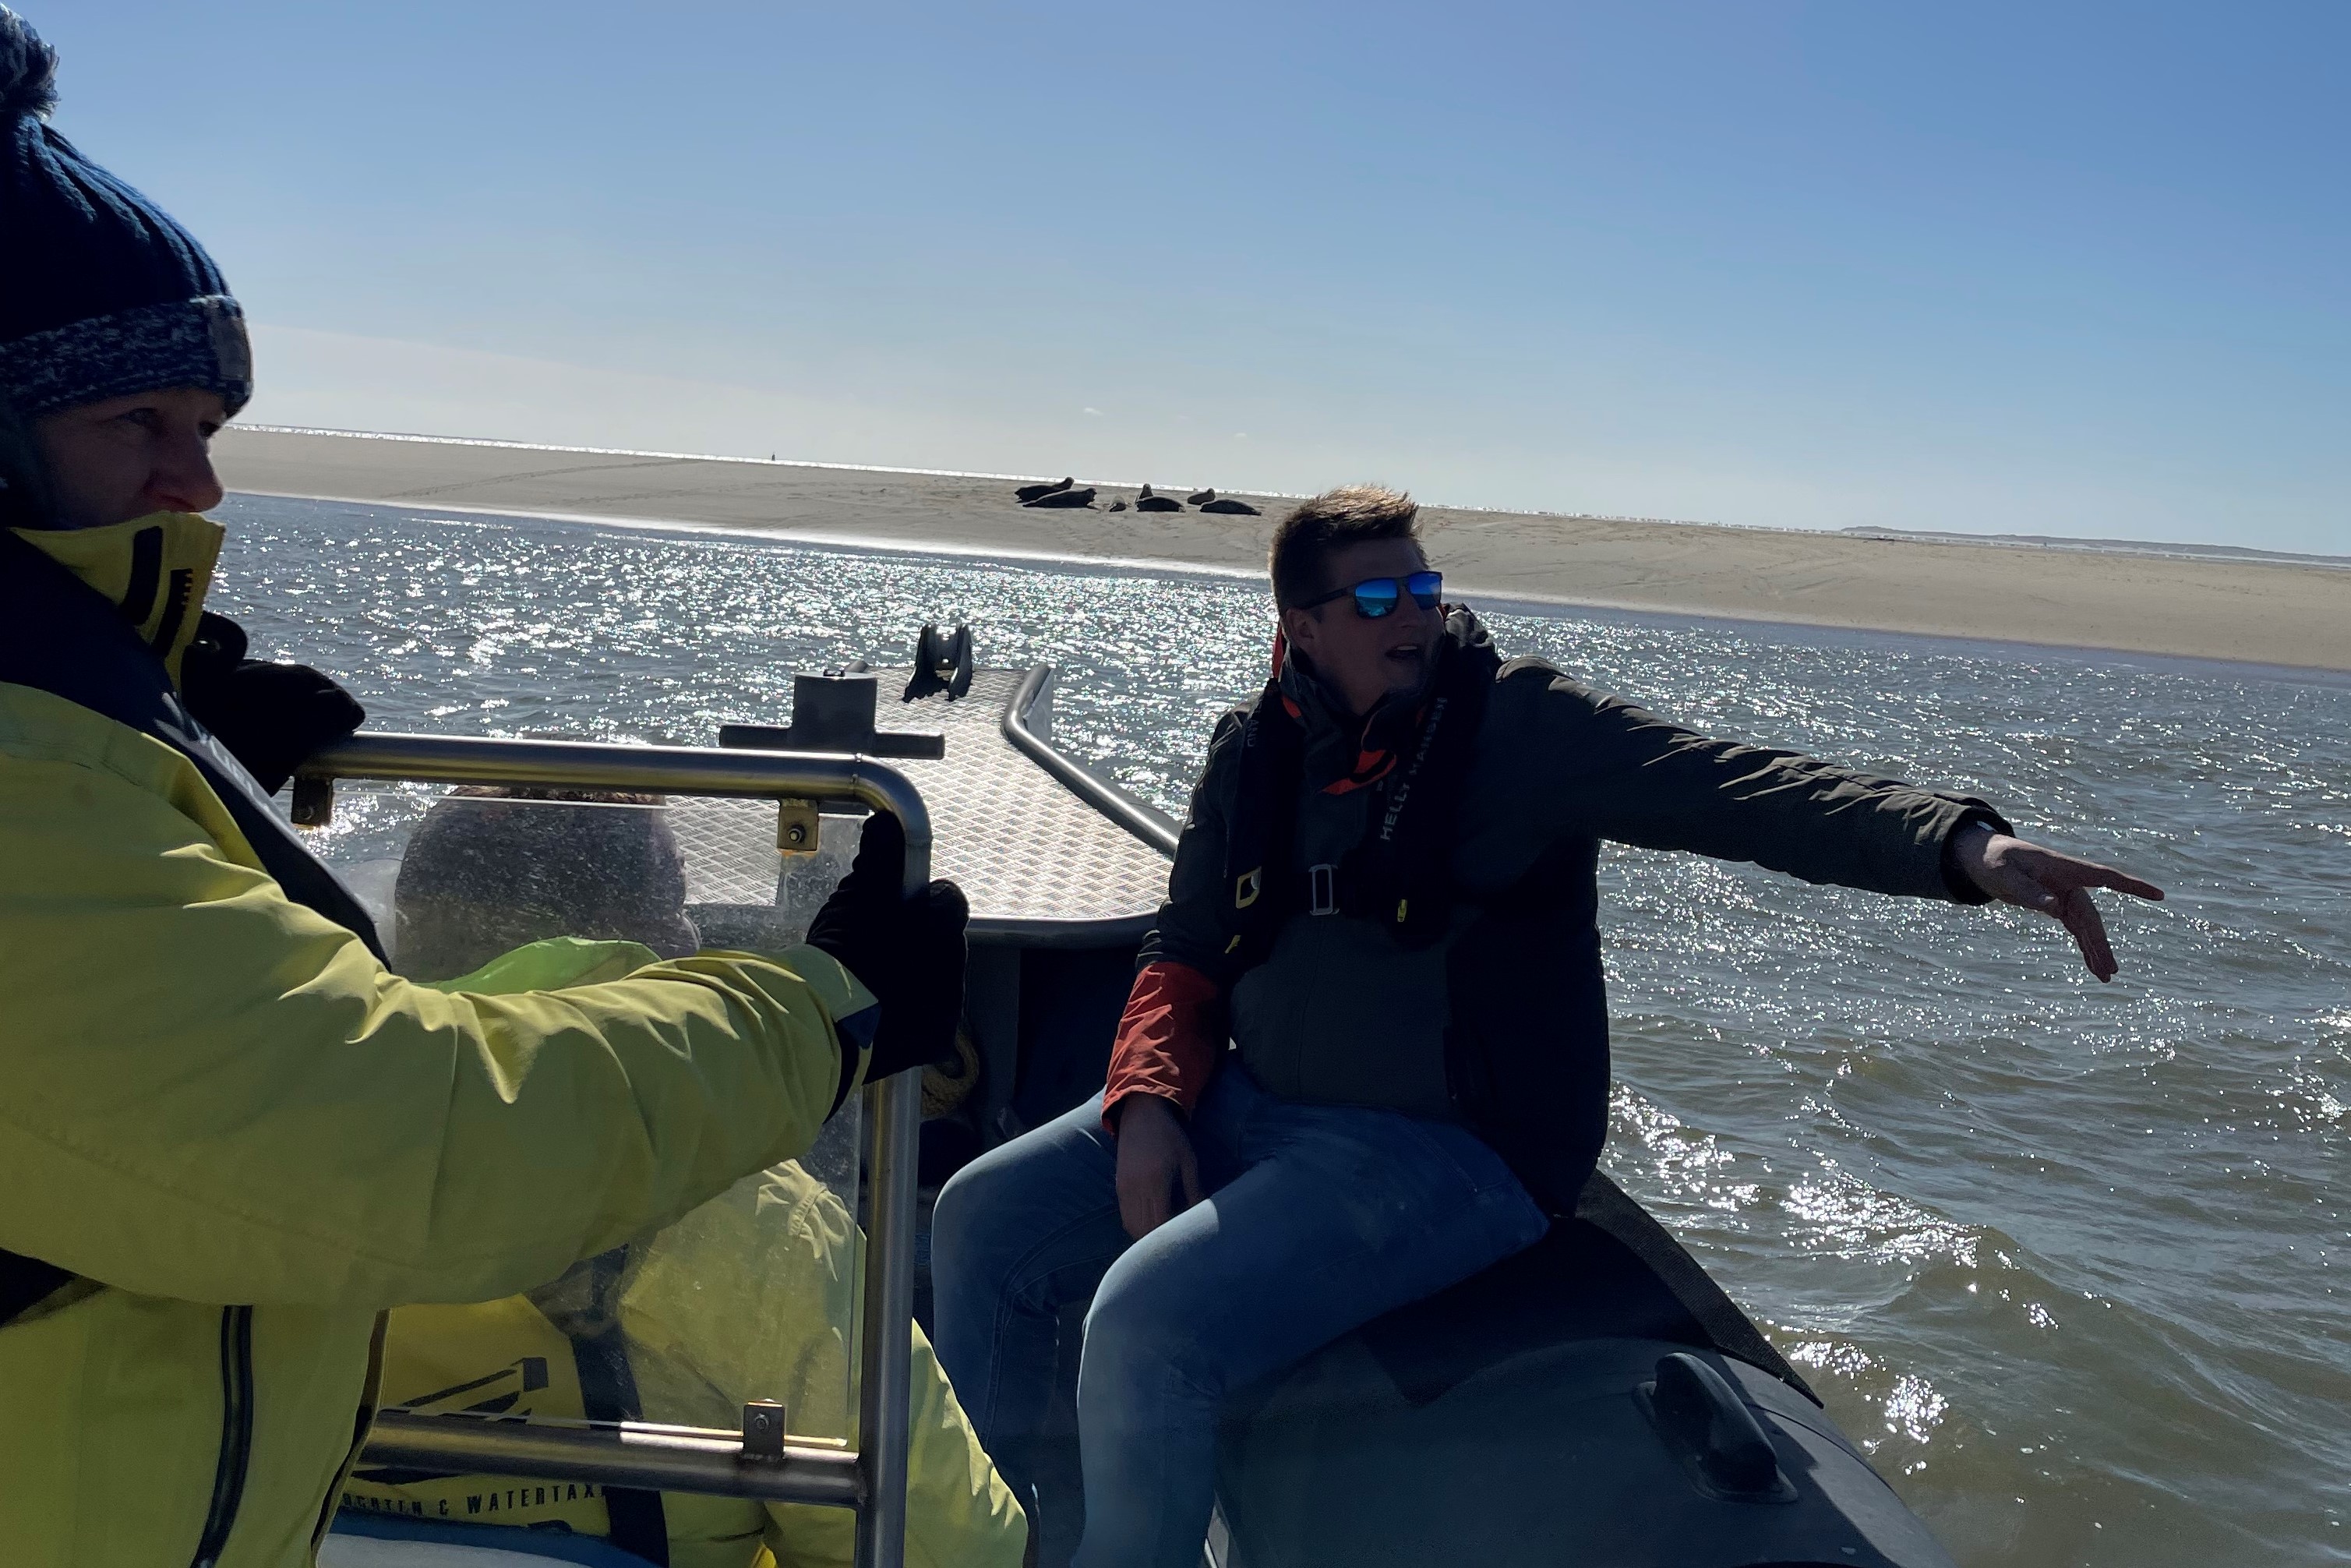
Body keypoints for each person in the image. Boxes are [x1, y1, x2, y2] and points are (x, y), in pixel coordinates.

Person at [0, 13, 965, 1567]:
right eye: (138, 425)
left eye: (208, 430)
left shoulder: (57, 729)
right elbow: (405, 1143)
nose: (202, 490)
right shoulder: (23, 787)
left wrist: (150, 701)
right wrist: (823, 1010)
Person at [930, 483, 2166, 1568]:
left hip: (1445, 1151)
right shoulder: (1257, 750)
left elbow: (1730, 786)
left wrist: (1960, 846)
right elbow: (1186, 945)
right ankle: (1024, 1538)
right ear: (1299, 628)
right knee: (978, 1217)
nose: (1410, 616)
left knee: (1147, 1318)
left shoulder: (1515, 728)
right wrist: (1148, 1103)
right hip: (1256, 1102)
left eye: (1421, 587)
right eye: (1373, 600)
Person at [339, 789, 1025, 1567]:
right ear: (630, 936)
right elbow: (945, 1549)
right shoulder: (754, 1221)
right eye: (672, 901)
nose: (693, 932)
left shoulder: (293, 1152)